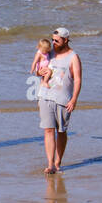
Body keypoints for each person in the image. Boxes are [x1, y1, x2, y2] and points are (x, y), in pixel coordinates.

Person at [38, 27, 81, 174]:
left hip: (63, 100)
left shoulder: (73, 57)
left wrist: (74, 99)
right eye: (52, 40)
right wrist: (39, 72)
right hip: (45, 96)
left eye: (57, 40)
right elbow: (39, 68)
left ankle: (58, 162)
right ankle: (50, 164)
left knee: (61, 131)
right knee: (48, 130)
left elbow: (78, 80)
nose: (53, 42)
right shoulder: (49, 54)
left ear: (66, 40)